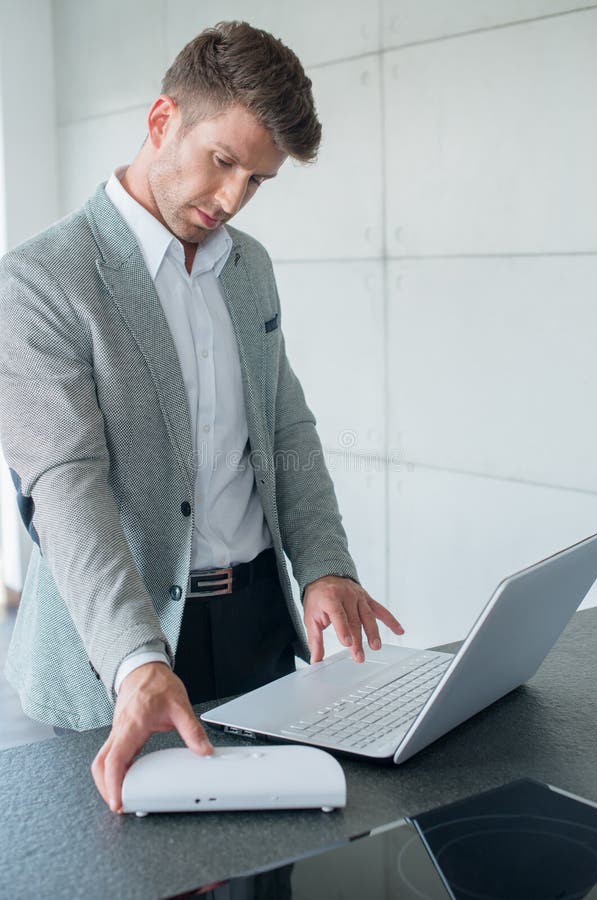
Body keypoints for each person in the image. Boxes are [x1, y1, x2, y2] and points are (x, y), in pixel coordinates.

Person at [0, 21, 403, 813]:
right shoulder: (40, 281)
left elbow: (286, 426)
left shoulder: (247, 268)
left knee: (269, 865)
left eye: (256, 181)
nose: (231, 200)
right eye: (223, 162)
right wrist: (133, 660)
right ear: (161, 122)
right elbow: (66, 487)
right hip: (118, 645)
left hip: (256, 626)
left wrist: (325, 565)